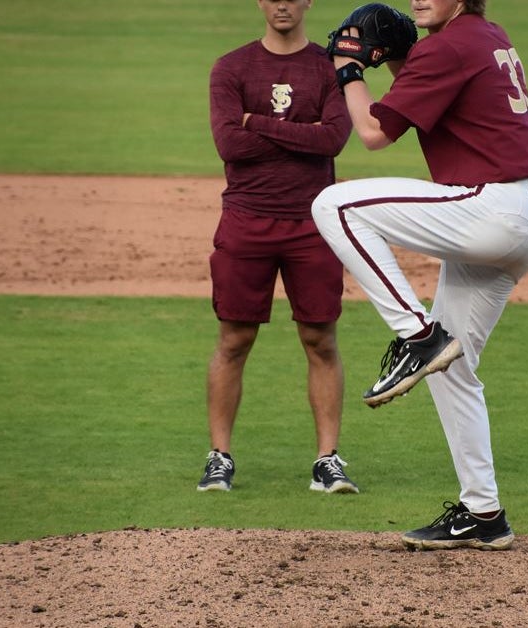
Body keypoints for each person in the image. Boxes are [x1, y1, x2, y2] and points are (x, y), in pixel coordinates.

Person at [313, 0, 528, 549]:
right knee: (453, 371)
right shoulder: (481, 35)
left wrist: (349, 69)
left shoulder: (448, 45)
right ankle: (483, 512)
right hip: (524, 219)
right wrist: (401, 58)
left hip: (489, 209)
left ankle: (417, 335)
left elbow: (374, 133)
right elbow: (430, 101)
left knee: (335, 205)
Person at [199, 0, 358, 495]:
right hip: (247, 219)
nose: (283, 3)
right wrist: (300, 134)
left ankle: (327, 460)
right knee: (234, 340)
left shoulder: (327, 67)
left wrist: (256, 121)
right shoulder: (231, 67)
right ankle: (219, 457)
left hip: (314, 222)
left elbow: (334, 139)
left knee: (321, 340)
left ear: (308, 1)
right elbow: (230, 145)